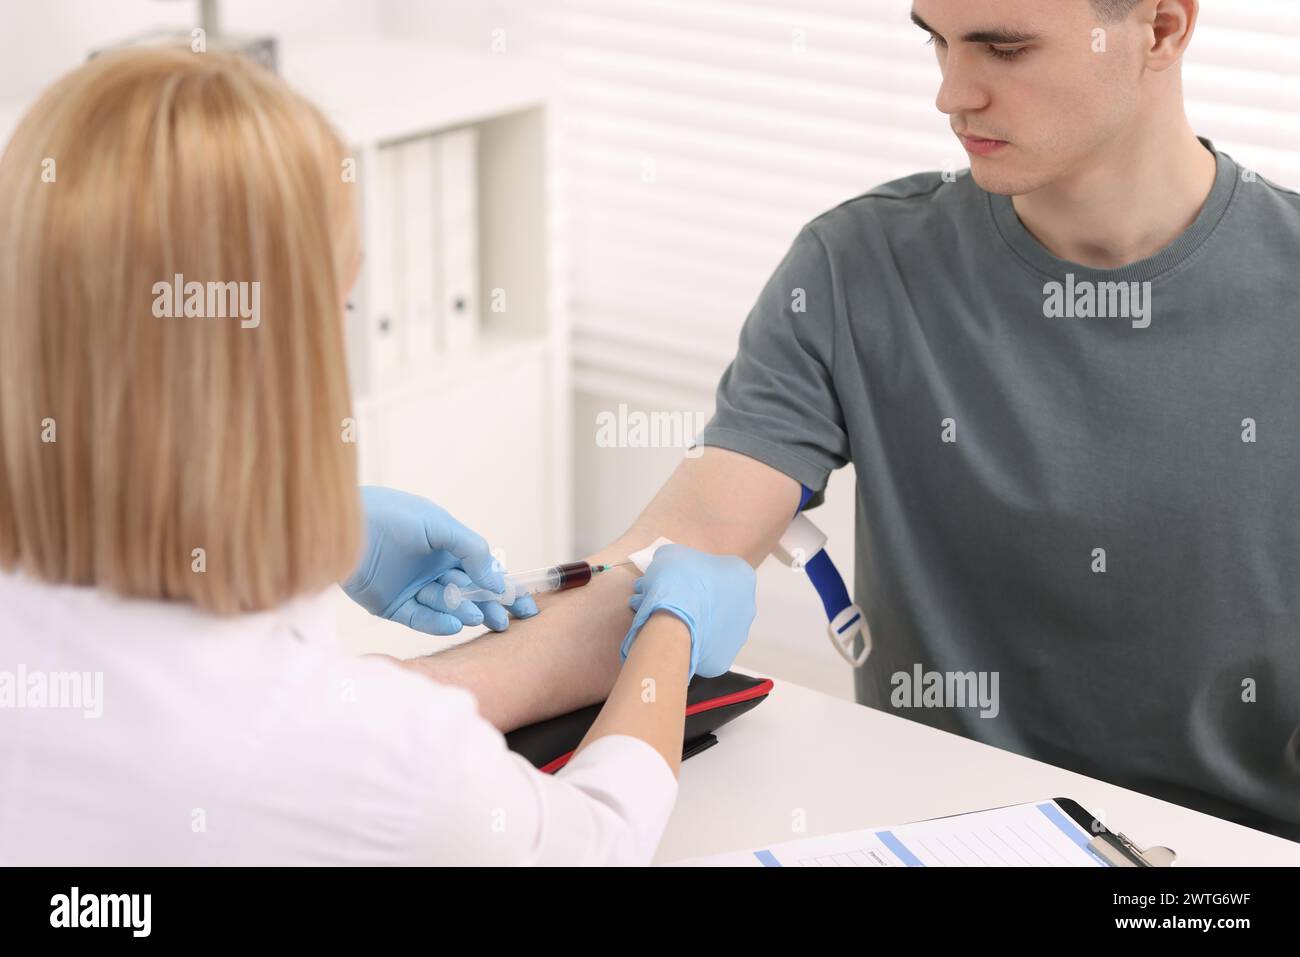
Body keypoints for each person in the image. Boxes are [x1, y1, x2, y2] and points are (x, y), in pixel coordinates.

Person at [396, 0, 1300, 841]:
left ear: (1162, 28)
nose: (951, 91)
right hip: (934, 828)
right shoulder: (859, 267)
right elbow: (667, 561)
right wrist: (359, 706)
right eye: (936, 39)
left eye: (1003, 45)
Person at [0, 47, 755, 865]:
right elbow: (597, 839)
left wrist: (308, 528)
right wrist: (670, 635)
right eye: (340, 302)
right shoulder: (351, 757)